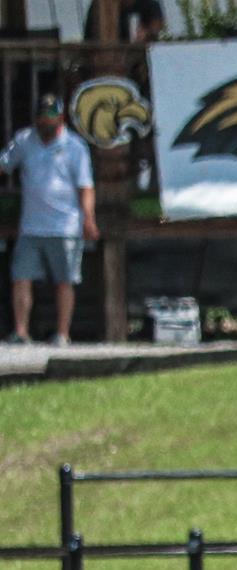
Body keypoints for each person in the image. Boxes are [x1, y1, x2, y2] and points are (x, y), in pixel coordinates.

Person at [2, 95, 96, 348]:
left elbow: (86, 187)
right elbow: (4, 164)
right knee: (21, 277)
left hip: (65, 226)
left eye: (51, 117)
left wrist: (89, 218)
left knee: (64, 282)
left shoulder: (75, 146)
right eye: (43, 117)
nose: (46, 122)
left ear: (61, 118)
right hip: (31, 226)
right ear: (36, 118)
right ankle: (21, 332)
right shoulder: (24, 140)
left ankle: (63, 333)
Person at [84, 0, 165, 41]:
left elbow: (156, 28)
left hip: (139, 58)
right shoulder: (100, 7)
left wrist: (147, 33)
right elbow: (89, 39)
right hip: (104, 60)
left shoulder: (150, 5)